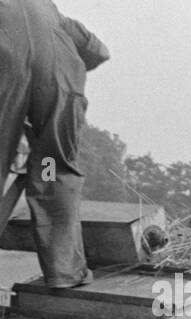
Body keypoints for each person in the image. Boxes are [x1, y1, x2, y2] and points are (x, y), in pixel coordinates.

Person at [0, 0, 109, 288]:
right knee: (53, 171)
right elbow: (99, 50)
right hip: (57, 84)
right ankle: (64, 271)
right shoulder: (48, 10)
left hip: (6, 72)